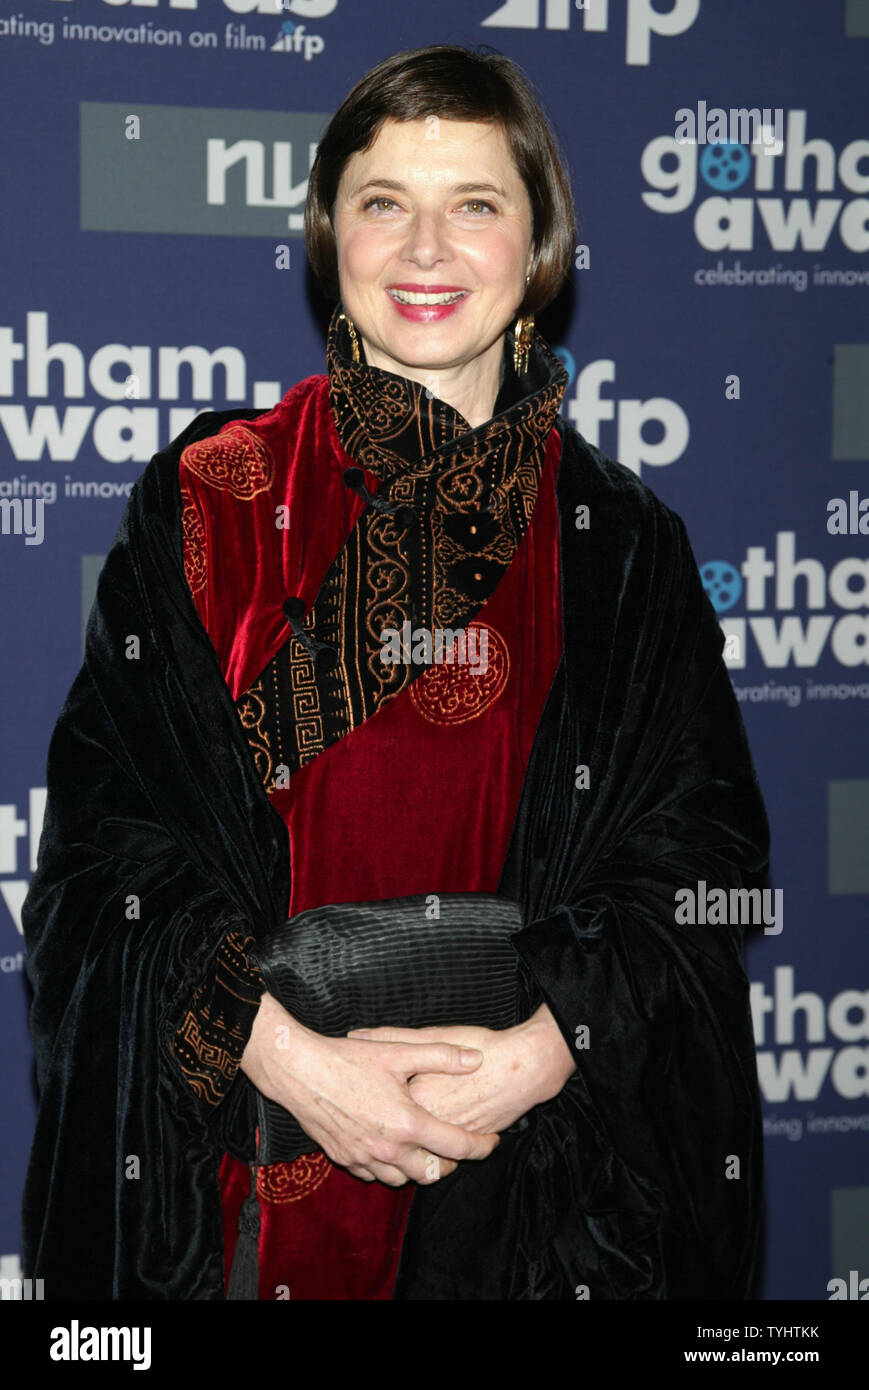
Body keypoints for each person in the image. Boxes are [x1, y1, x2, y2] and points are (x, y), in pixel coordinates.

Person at [21, 44, 769, 1301]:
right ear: (329, 236)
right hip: (249, 1182)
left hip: (537, 1194)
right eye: (383, 204)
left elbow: (711, 875)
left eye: (473, 205)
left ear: (538, 248)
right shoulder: (209, 501)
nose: (424, 249)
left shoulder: (623, 544)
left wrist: (544, 1049)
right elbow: (104, 868)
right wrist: (289, 1062)